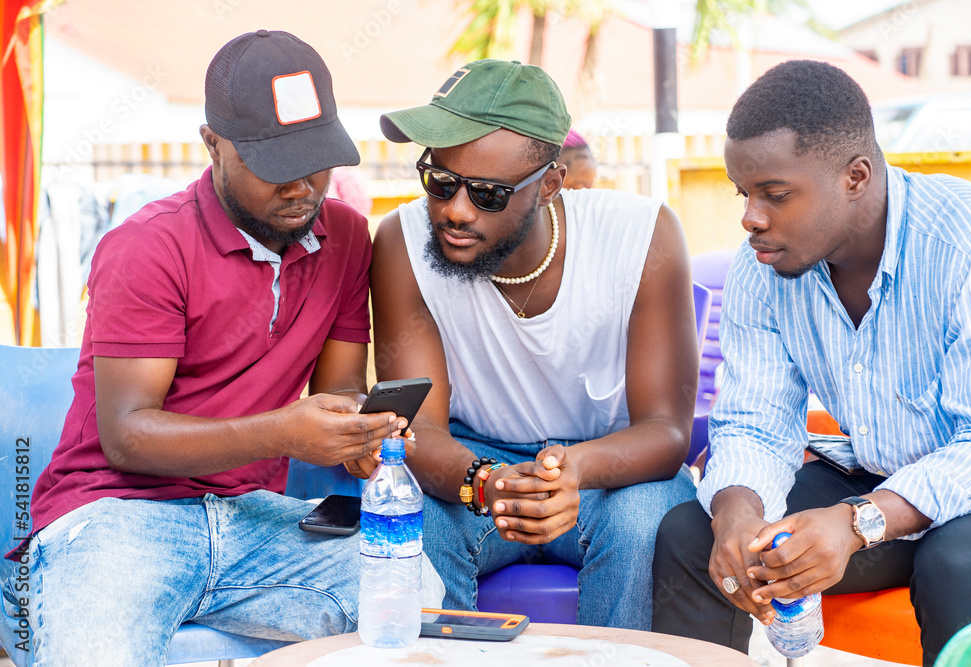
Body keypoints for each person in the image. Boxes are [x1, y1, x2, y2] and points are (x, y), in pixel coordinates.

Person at [6, 30, 443, 666]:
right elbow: (128, 435)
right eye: (276, 165)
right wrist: (285, 435)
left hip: (252, 518)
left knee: (414, 604)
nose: (302, 187)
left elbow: (340, 389)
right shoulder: (147, 247)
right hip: (116, 514)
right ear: (212, 144)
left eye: (317, 158)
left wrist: (357, 435)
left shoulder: (345, 236)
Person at [651, 60, 971, 666]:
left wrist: (857, 521)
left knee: (956, 562)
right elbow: (754, 424)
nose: (751, 218)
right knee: (691, 533)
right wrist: (737, 515)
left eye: (775, 195)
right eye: (745, 194)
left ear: (856, 176)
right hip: (877, 479)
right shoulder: (763, 266)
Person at [372, 59, 700, 631]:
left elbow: (667, 432)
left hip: (610, 466)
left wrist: (572, 469)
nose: (455, 210)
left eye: (488, 195)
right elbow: (419, 434)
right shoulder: (402, 243)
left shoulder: (642, 235)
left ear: (550, 184)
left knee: (648, 522)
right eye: (440, 181)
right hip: (469, 465)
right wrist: (487, 481)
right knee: (406, 518)